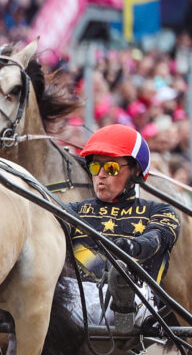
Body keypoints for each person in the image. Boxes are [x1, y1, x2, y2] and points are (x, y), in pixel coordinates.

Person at [66, 125, 180, 332]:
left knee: (123, 281)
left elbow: (157, 237)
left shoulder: (159, 210)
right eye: (94, 167)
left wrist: (131, 246)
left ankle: (122, 298)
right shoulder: (73, 211)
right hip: (78, 297)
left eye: (111, 168)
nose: (100, 175)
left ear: (136, 171)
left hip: (140, 299)